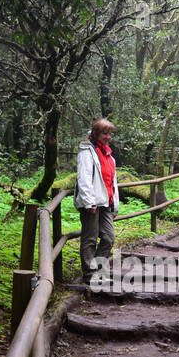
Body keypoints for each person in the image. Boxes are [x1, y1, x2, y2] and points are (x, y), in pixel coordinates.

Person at [74, 118, 120, 283]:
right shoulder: (87, 152)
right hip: (92, 203)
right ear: (95, 134)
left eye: (109, 134)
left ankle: (98, 270)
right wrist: (88, 202)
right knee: (90, 239)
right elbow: (84, 178)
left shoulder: (109, 155)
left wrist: (115, 204)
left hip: (106, 203)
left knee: (108, 238)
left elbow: (112, 183)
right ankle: (90, 275)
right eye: (104, 133)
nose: (107, 137)